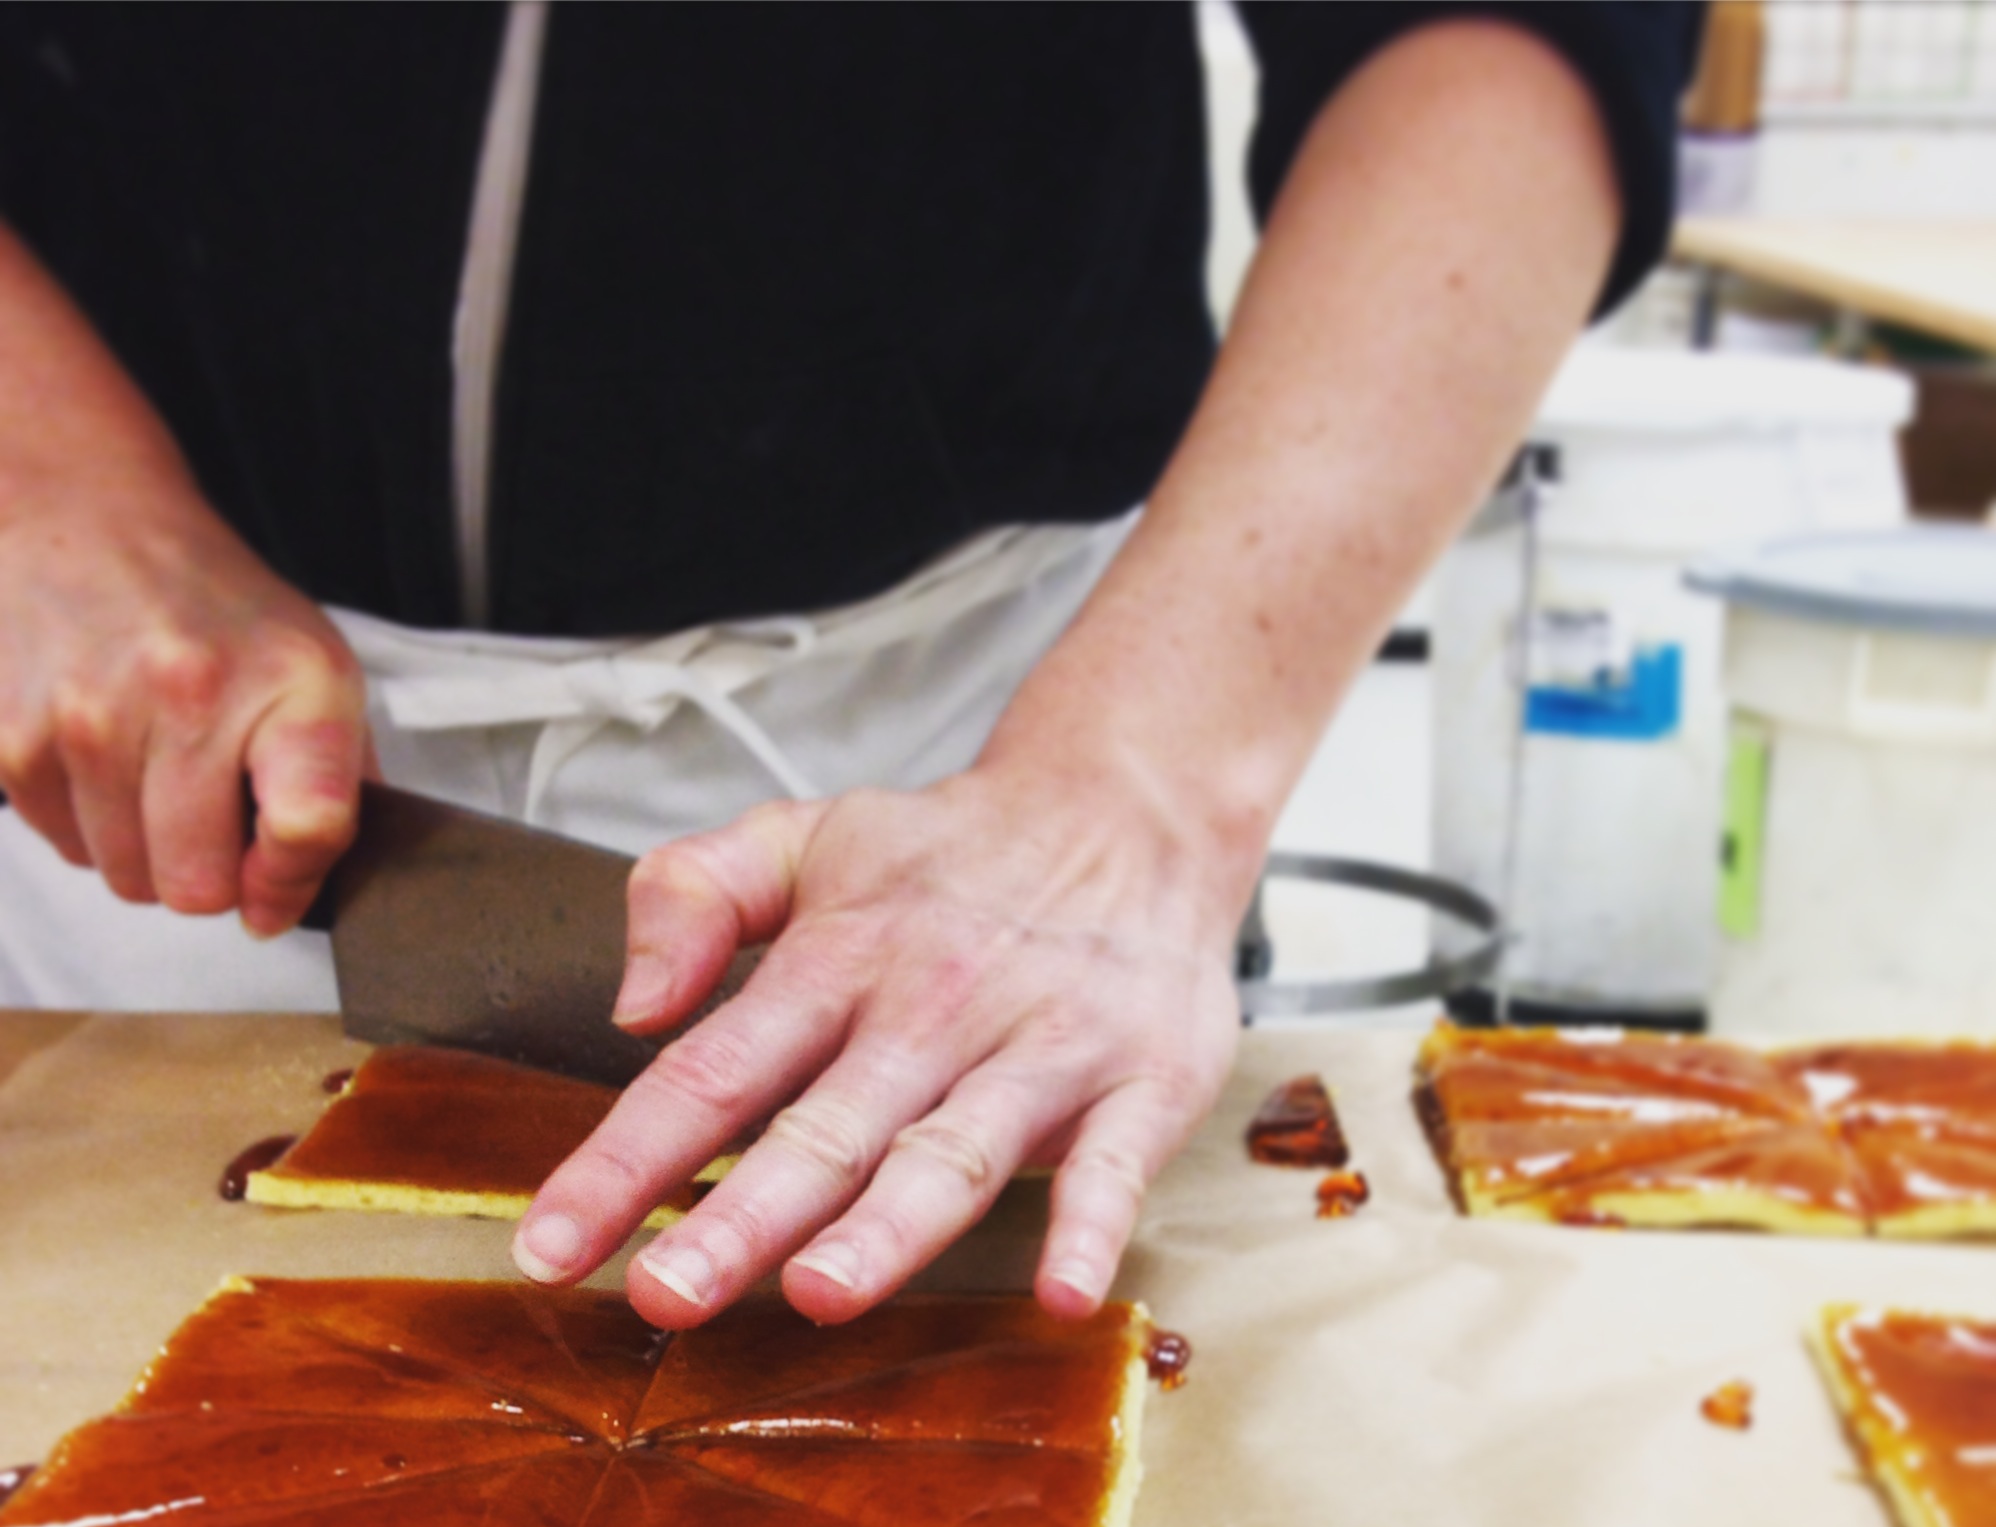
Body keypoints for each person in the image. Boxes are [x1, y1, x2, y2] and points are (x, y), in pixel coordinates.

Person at [0, 4, 1700, 1330]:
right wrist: (52, 487)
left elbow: (1504, 32)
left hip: (982, 760)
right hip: (151, 730)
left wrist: (1139, 790)